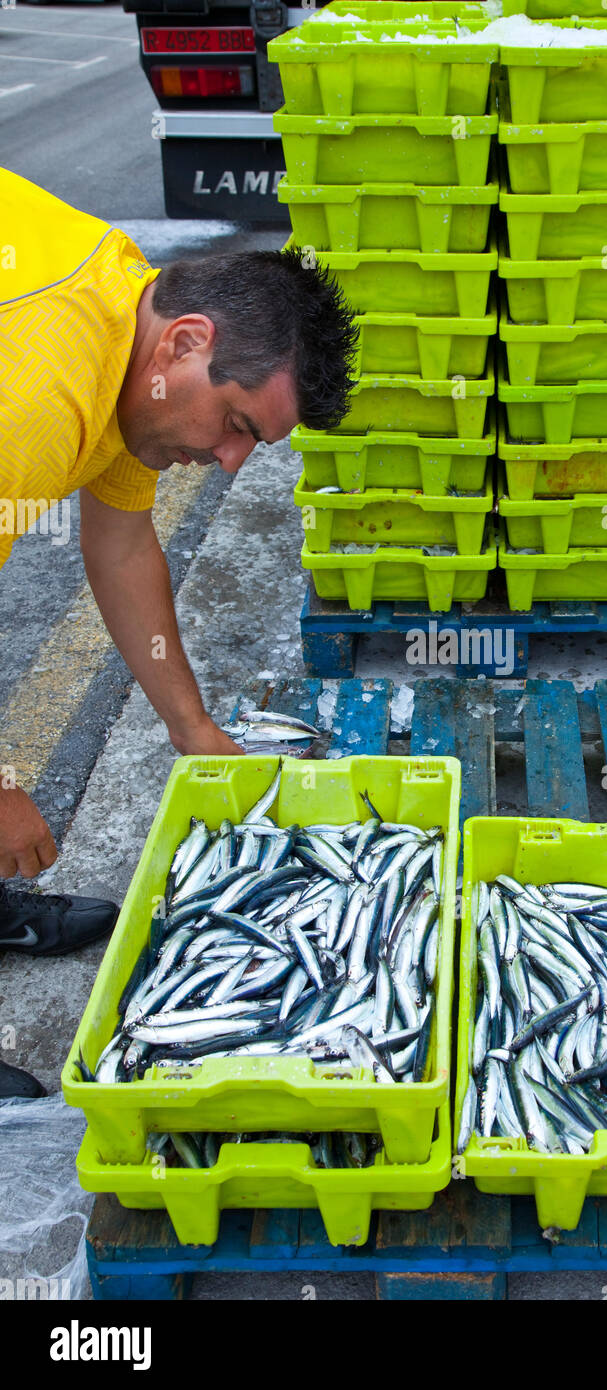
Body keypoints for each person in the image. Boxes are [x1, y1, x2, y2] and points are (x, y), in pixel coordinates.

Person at [0, 168, 356, 1097]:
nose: (230, 461)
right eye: (236, 424)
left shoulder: (133, 330)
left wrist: (191, 728)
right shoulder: (37, 395)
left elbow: (120, 547)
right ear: (190, 343)